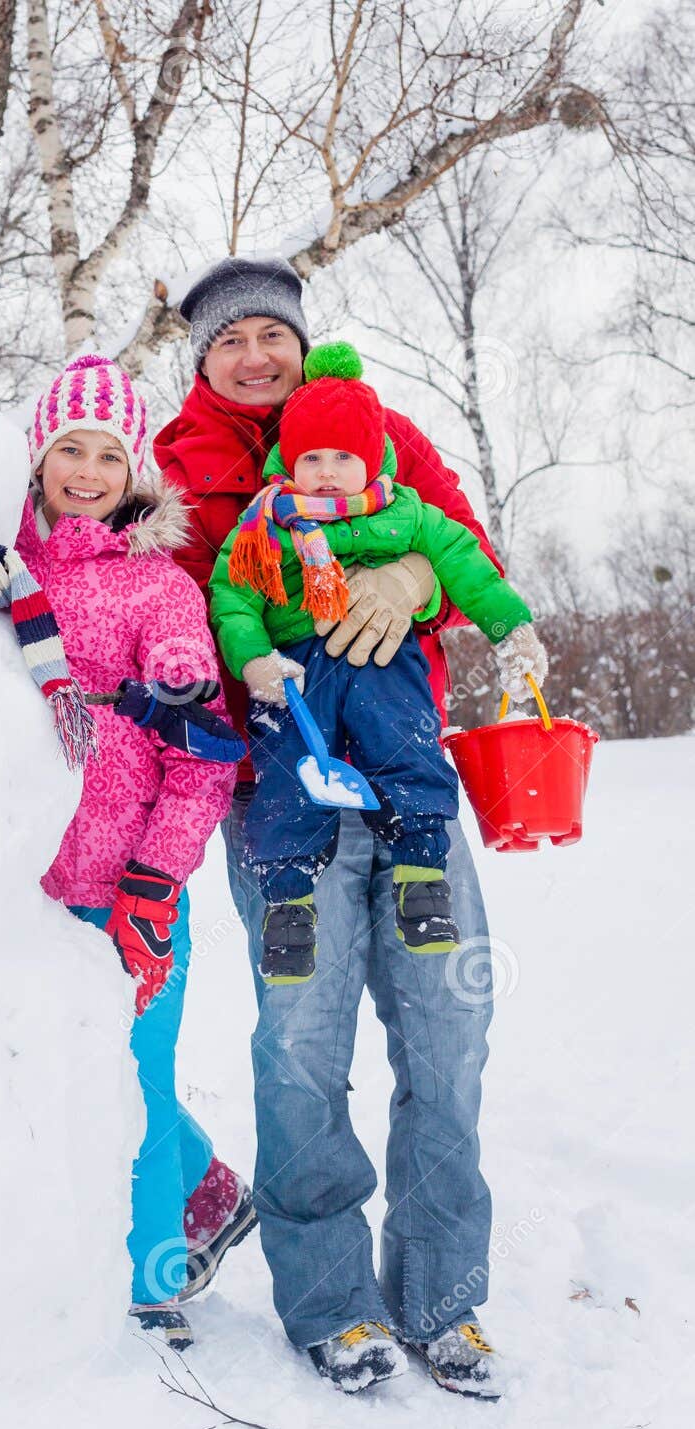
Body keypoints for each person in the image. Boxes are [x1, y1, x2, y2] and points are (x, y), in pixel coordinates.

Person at [153, 256, 509, 1399]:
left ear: (302, 340)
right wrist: (243, 653)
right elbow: (152, 615)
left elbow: (472, 560)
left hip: (410, 790)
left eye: (272, 333)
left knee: (449, 1037)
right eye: (228, 341)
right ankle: (331, 1302)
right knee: (303, 1050)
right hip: (281, 799)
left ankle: (442, 1295)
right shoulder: (177, 465)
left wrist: (414, 573)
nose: (255, 356)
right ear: (201, 360)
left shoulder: (383, 428)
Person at [19, 355, 251, 1349]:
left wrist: (158, 878)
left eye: (106, 452)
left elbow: (202, 763)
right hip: (26, 888)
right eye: (68, 447)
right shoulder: (6, 574)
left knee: (139, 1078)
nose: (85, 468)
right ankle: (204, 1192)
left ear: (133, 468)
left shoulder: (159, 585)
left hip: (134, 888)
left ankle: (156, 1282)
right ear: (37, 461)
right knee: (56, 1069)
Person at [208, 341, 547, 982]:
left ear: (373, 459)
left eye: (344, 456)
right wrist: (253, 662)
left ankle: (421, 874)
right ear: (288, 460)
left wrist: (511, 629)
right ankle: (288, 905)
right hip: (297, 675)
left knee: (408, 748)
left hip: (386, 661)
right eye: (312, 457)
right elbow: (232, 598)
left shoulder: (408, 515)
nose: (328, 471)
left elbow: (470, 566)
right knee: (287, 778)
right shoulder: (263, 528)